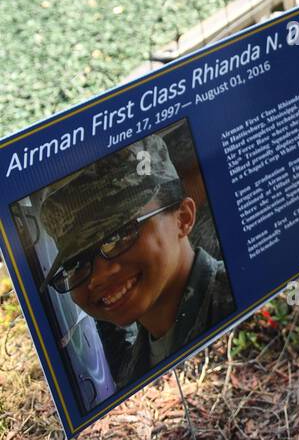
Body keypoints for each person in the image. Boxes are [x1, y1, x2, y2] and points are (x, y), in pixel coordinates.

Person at [40, 135, 235, 389]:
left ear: (183, 218)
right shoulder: (131, 375)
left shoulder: (244, 302)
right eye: (75, 264)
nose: (97, 277)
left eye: (118, 237)